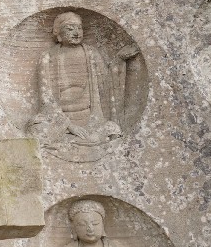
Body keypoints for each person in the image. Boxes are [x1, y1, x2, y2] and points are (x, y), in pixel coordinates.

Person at [30, 13, 135, 148]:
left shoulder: (91, 54)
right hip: (60, 121)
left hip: (90, 118)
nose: (76, 33)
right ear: (58, 34)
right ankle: (81, 140)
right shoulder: (48, 57)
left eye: (79, 28)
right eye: (70, 29)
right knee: (37, 130)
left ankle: (73, 142)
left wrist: (119, 61)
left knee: (113, 129)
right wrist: (69, 126)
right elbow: (46, 98)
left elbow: (106, 83)